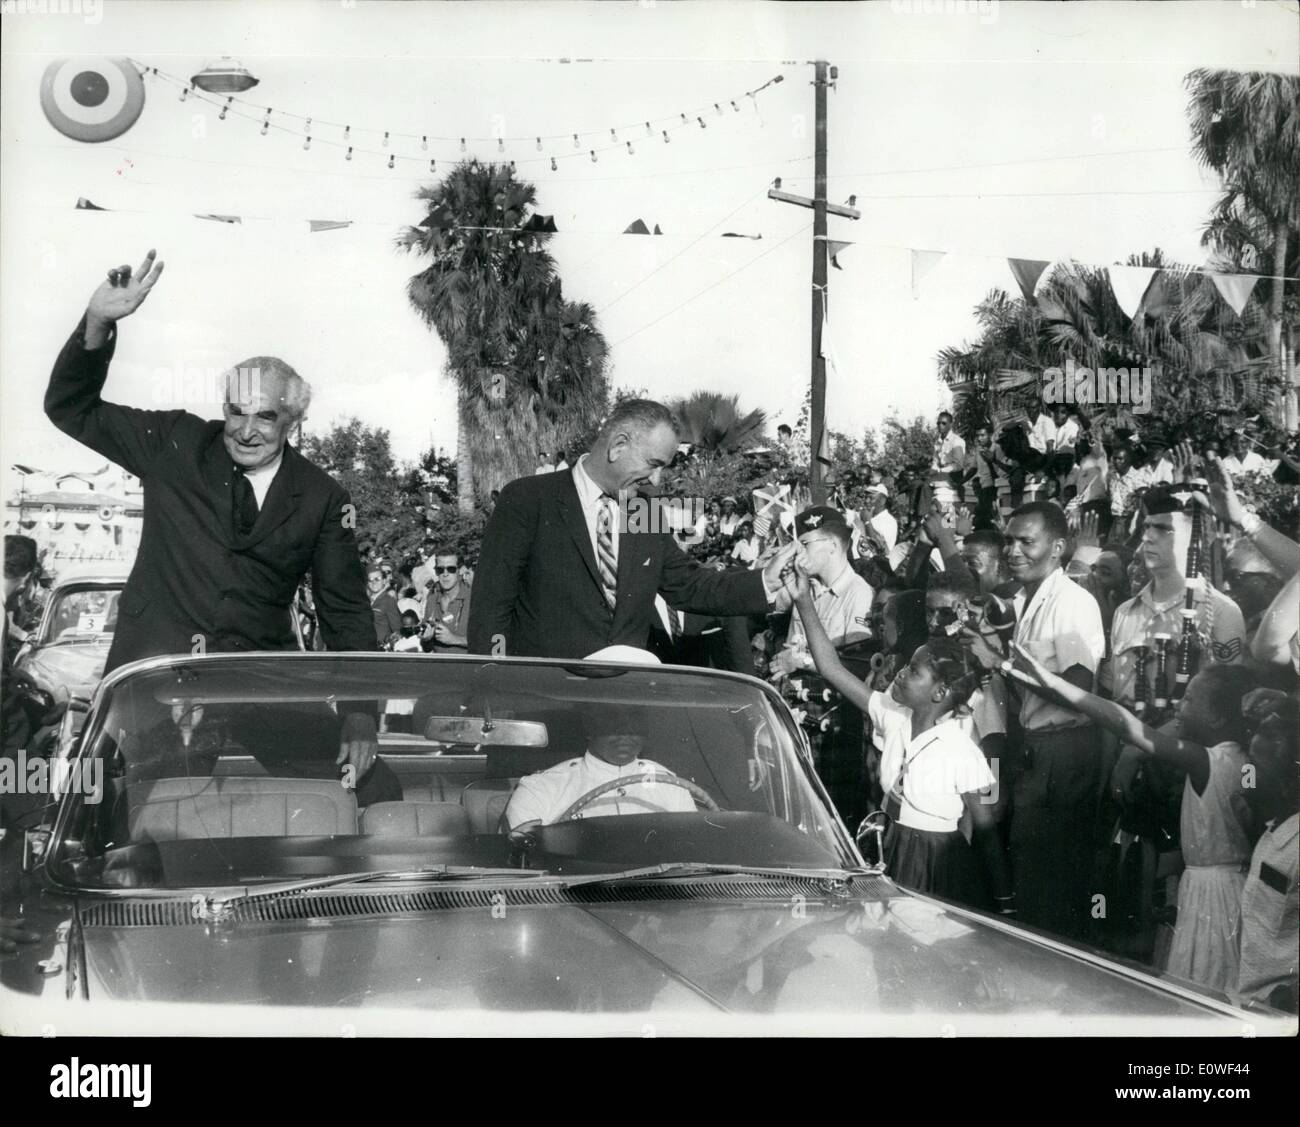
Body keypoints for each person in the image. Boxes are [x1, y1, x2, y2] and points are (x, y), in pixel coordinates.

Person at [44, 249, 385, 796]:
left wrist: (361, 714)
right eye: (236, 411)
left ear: (294, 419)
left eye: (266, 416)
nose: (246, 430)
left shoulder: (323, 496)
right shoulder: (174, 443)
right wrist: (98, 323)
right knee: (117, 823)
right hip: (153, 686)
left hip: (261, 686)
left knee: (371, 791)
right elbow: (72, 408)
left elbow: (345, 611)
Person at [1010, 647, 1257, 994]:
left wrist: (1058, 685)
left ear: (1217, 718)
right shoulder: (1242, 762)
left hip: (1213, 898)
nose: (1178, 708)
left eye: (1188, 700)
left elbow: (1129, 728)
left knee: (1205, 985)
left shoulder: (1209, 762)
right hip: (1224, 888)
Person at [468, 399, 794, 658]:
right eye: (653, 465)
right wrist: (495, 688)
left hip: (624, 711)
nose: (655, 481)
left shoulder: (642, 508)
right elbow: (491, 612)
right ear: (618, 445)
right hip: (547, 705)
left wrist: (763, 581)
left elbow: (688, 584)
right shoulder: (529, 499)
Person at [783, 564, 1012, 912]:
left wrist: (986, 793)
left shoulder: (979, 696)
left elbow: (991, 765)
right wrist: (803, 600)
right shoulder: (897, 709)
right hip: (893, 842)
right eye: (930, 612)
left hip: (939, 857)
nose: (936, 622)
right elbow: (832, 669)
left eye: (946, 613)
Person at [964, 501, 1106, 939]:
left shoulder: (1072, 602)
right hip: (1036, 750)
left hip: (1064, 756)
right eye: (1008, 541)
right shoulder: (1025, 601)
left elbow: (1077, 689)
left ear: (1059, 547)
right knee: (1033, 874)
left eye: (1026, 541)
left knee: (1052, 885)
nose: (1013, 551)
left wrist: (1001, 664)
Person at [504, 707, 697, 829]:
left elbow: (693, 846)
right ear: (589, 727)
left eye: (635, 720)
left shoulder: (671, 785)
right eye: (612, 719)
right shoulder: (542, 787)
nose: (625, 732)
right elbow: (527, 858)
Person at [1234, 696, 1298, 1012]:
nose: (1245, 772)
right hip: (1250, 1003)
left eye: (1256, 766)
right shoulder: (1273, 831)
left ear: (1290, 784)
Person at [768, 506, 874, 678]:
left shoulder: (859, 594)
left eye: (804, 544)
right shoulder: (807, 587)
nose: (798, 552)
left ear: (832, 545)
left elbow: (858, 664)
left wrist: (802, 661)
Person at [421, 550, 472, 652]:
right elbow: (426, 648)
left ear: (460, 570)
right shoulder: (432, 600)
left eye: (451, 569)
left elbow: (488, 641)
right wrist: (426, 640)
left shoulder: (473, 600)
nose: (445, 574)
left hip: (467, 666)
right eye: (440, 569)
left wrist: (454, 639)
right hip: (439, 665)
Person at [368, 567, 403, 647]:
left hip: (380, 648)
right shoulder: (366, 601)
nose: (374, 582)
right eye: (370, 579)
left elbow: (397, 629)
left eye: (377, 579)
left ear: (384, 581)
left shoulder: (389, 600)